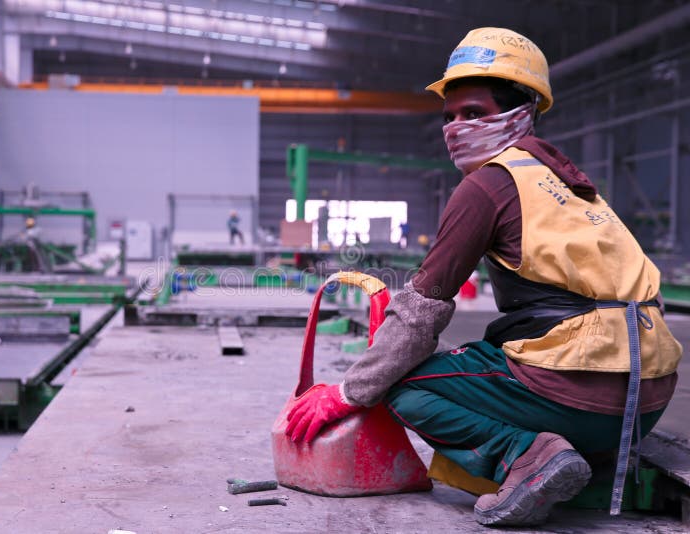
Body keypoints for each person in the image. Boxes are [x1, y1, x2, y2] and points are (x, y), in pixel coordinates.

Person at [285, 27, 682, 527]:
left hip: (583, 397)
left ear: (524, 111)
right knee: (490, 357)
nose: (457, 127)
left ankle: (529, 454)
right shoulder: (573, 187)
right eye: (449, 116)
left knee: (404, 384)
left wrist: (346, 394)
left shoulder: (489, 185)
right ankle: (574, 448)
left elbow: (417, 315)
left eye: (474, 113)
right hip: (644, 406)